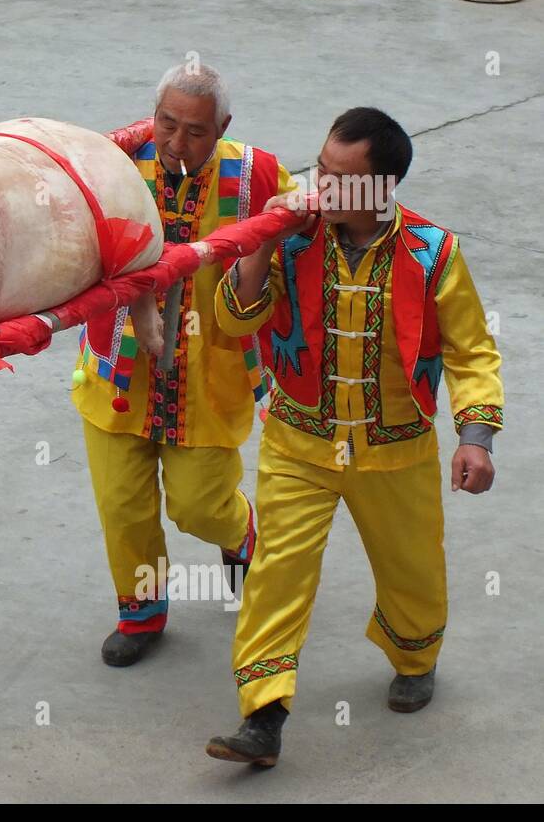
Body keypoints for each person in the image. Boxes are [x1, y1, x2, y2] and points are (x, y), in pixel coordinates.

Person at [207, 108, 504, 766]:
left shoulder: (433, 252)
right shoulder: (290, 238)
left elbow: (472, 350)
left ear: (383, 187)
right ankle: (264, 714)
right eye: (321, 168)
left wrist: (476, 436)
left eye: (342, 179)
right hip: (298, 442)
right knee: (276, 573)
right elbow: (230, 322)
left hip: (395, 448)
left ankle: (414, 654)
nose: (321, 186)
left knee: (412, 570)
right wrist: (258, 239)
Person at [72, 63, 298, 667]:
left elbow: (302, 230)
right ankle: (141, 613)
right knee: (123, 505)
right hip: (120, 368)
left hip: (210, 370)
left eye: (194, 132)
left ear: (222, 126)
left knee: (200, 505)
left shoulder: (258, 174)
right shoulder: (113, 164)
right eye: (166, 124)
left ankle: (242, 534)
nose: (175, 143)